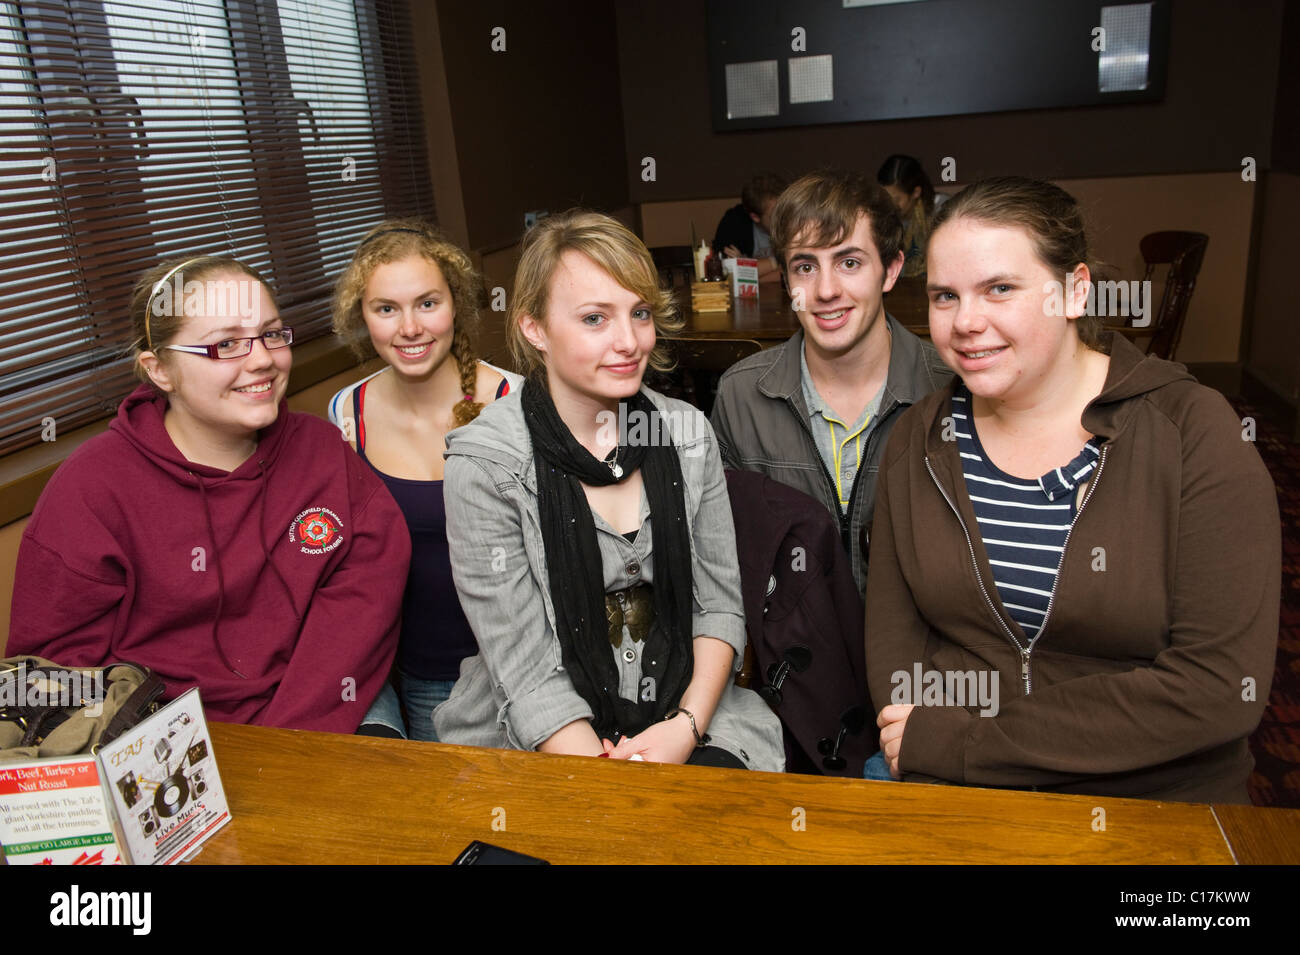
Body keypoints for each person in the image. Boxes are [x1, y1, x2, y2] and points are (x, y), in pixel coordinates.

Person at [866, 177, 1280, 802]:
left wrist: (968, 744)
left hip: (1155, 795)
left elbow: (1219, 689)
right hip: (959, 792)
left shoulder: (1194, 432)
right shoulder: (918, 442)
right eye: (945, 296)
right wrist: (944, 753)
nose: (966, 322)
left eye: (999, 288)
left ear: (1075, 290)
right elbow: (897, 659)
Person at [433, 210, 784, 771]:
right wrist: (611, 779)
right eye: (595, 318)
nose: (628, 342)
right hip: (539, 723)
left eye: (639, 314)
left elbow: (718, 607)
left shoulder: (689, 434)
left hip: (687, 709)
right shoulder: (484, 463)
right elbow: (522, 665)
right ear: (534, 328)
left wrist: (686, 728)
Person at [8, 255, 410, 733]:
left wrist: (283, 746)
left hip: (319, 708)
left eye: (272, 333)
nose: (262, 359)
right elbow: (56, 669)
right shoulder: (91, 489)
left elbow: (366, 601)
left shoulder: (321, 449)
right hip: (163, 735)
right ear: (160, 371)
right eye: (226, 344)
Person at [710, 170, 952, 596]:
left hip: (919, 655)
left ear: (891, 271)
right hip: (795, 650)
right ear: (786, 281)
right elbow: (727, 559)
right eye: (805, 266)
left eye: (850, 262)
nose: (825, 290)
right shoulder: (741, 396)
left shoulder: (949, 390)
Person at [328, 220, 521, 741]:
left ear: (456, 303)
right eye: (386, 309)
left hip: (525, 668)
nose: (409, 327)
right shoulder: (348, 412)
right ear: (363, 317)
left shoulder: (517, 403)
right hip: (422, 672)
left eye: (427, 303)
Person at [877, 154, 947, 278]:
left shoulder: (942, 211)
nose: (890, 205)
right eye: (885, 197)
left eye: (897, 199)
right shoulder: (883, 218)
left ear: (916, 192)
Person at [712, 173, 788, 283]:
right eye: (775, 215)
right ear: (755, 217)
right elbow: (727, 273)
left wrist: (747, 269)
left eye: (785, 211)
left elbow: (793, 270)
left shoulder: (797, 218)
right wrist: (780, 261)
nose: (784, 219)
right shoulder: (734, 223)